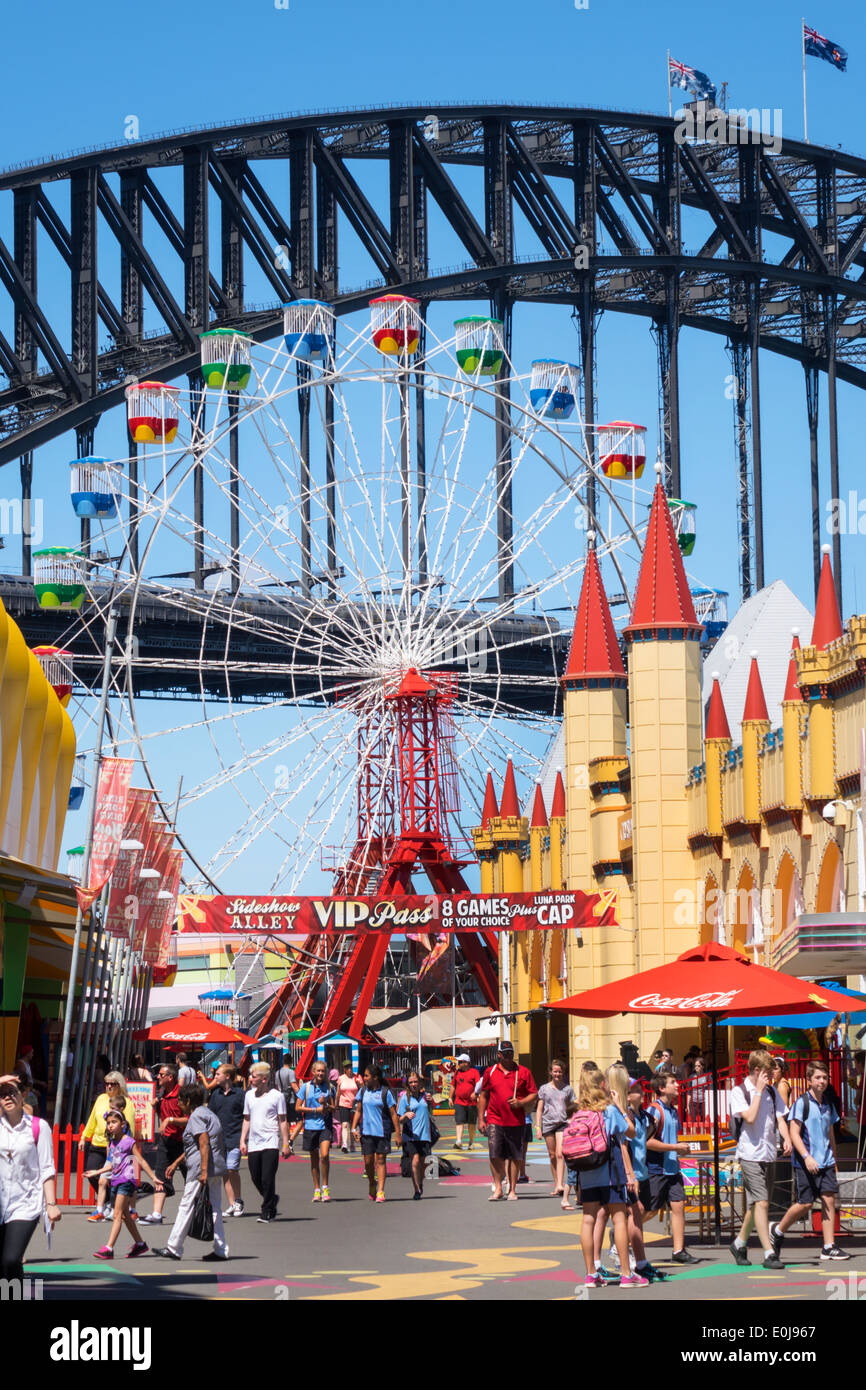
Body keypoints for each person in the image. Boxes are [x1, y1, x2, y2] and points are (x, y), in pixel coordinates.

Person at [567, 1068, 645, 1289]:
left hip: (587, 1173)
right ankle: (627, 1275)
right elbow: (630, 1132)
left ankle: (591, 1273)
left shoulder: (579, 1111)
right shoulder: (608, 1110)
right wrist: (619, 1105)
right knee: (619, 1219)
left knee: (588, 1220)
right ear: (602, 1085)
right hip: (610, 1173)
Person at [770, 1061, 850, 1263]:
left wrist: (834, 1157)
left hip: (826, 1161)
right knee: (805, 1204)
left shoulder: (829, 1105)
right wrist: (807, 1157)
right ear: (809, 1080)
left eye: (824, 1078)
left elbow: (830, 1131)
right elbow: (794, 1133)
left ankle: (829, 1246)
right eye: (817, 1078)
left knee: (829, 1199)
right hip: (807, 1162)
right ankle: (778, 1230)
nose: (822, 1081)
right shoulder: (802, 1103)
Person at [728, 1049, 791, 1269]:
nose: (772, 1076)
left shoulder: (772, 1092)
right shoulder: (740, 1091)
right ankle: (769, 1253)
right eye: (768, 1072)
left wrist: (787, 1138)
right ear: (757, 1071)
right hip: (749, 1154)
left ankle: (739, 1243)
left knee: (757, 1206)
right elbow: (751, 1117)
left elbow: (781, 1118)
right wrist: (758, 1092)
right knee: (762, 1202)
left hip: (768, 1153)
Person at [154, 1083, 230, 1261]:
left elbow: (203, 1142)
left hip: (200, 1170)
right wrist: (177, 1162)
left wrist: (203, 1171)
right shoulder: (207, 1113)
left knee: (186, 1205)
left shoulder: (196, 1116)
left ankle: (174, 1247)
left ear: (188, 1101)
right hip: (215, 1167)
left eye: (180, 1100)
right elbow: (196, 1146)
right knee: (215, 1209)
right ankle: (221, 1249)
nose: (179, 1104)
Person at [0, 1074, 60, 1280]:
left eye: (11, 1093)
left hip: (25, 1203)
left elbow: (47, 1167)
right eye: (2, 1094)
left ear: (22, 1095)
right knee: (3, 1264)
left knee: (11, 1259)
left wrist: (51, 1203)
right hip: (1, 1203)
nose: (7, 1098)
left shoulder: (38, 1127)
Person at [85, 1105, 162, 1260]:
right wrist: (97, 1172)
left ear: (123, 1124)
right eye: (108, 1123)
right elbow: (110, 1165)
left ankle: (109, 1248)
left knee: (117, 1215)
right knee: (126, 1215)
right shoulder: (111, 1143)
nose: (110, 1125)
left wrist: (153, 1177)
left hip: (126, 1181)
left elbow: (140, 1160)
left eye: (114, 1122)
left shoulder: (129, 1142)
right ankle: (140, 1244)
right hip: (115, 1181)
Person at [645, 1070, 696, 1263]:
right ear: (661, 1088)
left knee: (679, 1206)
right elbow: (647, 1142)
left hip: (673, 1167)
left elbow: (671, 1137)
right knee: (650, 1210)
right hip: (656, 1168)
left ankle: (678, 1251)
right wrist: (675, 1147)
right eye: (673, 1082)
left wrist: (679, 1149)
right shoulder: (653, 1111)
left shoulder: (673, 1111)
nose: (677, 1085)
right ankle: (623, 1230)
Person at [477, 1040, 537, 1202]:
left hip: (516, 1121)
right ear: (499, 1055)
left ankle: (512, 1189)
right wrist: (480, 1118)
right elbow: (483, 1095)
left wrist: (521, 1103)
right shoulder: (490, 1072)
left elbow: (533, 1093)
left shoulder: (523, 1072)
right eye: (505, 1054)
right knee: (494, 1153)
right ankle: (498, 1187)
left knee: (515, 1156)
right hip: (494, 1119)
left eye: (511, 1053)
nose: (509, 1056)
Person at [624, 1078, 667, 1283]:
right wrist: (629, 1173)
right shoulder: (626, 1117)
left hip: (643, 1170)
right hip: (632, 1173)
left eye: (641, 1090)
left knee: (644, 1212)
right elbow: (625, 1147)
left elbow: (645, 1140)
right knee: (636, 1214)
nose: (641, 1093)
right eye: (636, 1091)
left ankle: (639, 1261)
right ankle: (634, 1259)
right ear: (626, 1095)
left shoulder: (644, 1116)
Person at [79, 1071, 136, 1221]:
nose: (109, 1086)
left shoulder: (126, 1102)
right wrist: (84, 1137)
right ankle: (108, 1203)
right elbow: (92, 1119)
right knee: (93, 1174)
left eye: (113, 1084)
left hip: (116, 1148)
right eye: (107, 1083)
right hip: (98, 1143)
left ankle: (114, 1206)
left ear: (120, 1085)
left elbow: (128, 1126)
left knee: (115, 1178)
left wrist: (125, 1146)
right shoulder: (101, 1099)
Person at [240, 1061, 290, 1223]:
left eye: (253, 1076)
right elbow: (246, 1119)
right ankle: (271, 1199)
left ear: (264, 1079)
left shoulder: (277, 1096)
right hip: (254, 1142)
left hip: (270, 1141)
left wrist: (285, 1143)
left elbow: (283, 1121)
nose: (250, 1079)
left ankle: (267, 1210)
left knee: (267, 1178)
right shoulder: (249, 1095)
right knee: (255, 1177)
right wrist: (243, 1140)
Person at [140, 1062, 187, 1226]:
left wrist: (170, 1120)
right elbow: (163, 1118)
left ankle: (203, 1209)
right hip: (166, 1142)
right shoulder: (161, 1094)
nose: (157, 1077)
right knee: (160, 1177)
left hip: (183, 1143)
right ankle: (156, 1214)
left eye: (161, 1074)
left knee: (192, 1179)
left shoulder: (181, 1095)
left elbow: (190, 1119)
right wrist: (156, 1108)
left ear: (170, 1077)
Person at [351, 1065, 400, 1203]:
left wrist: (398, 1134)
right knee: (368, 1162)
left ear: (375, 1077)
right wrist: (353, 1128)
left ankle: (380, 1191)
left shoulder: (385, 1093)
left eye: (366, 1076)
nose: (364, 1078)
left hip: (382, 1132)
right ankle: (372, 1182)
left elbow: (393, 1114)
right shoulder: (363, 1091)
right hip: (366, 1132)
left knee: (380, 1161)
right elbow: (358, 1111)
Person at [536, 1060, 576, 1209]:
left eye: (559, 1072)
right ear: (550, 1072)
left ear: (563, 1073)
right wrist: (538, 1126)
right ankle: (556, 1183)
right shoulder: (544, 1089)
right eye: (555, 1071)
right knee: (552, 1155)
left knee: (560, 1153)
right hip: (548, 1124)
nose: (557, 1074)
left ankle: (560, 1184)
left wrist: (572, 1120)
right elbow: (539, 1109)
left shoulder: (568, 1089)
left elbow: (572, 1107)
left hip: (562, 1123)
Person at [208, 1064, 246, 1217]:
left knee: (232, 1168)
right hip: (219, 1139)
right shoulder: (215, 1095)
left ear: (228, 1076)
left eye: (218, 1074)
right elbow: (210, 1115)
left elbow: (247, 1116)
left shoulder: (240, 1094)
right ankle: (232, 1204)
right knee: (224, 1172)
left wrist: (245, 1138)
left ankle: (238, 1200)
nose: (215, 1077)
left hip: (236, 1137)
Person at [297, 1060, 335, 1203]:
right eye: (318, 1071)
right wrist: (315, 1109)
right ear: (313, 1072)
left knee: (324, 1155)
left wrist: (324, 1104)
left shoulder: (329, 1087)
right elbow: (298, 1107)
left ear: (326, 1072)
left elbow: (333, 1107)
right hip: (310, 1126)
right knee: (314, 1160)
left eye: (322, 1071)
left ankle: (325, 1186)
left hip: (324, 1125)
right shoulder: (306, 1087)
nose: (320, 1073)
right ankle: (317, 1188)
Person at [398, 1071, 433, 1199]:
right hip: (411, 1135)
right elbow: (399, 1119)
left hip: (424, 1135)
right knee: (415, 1161)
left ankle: (420, 1182)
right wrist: (406, 1116)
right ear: (408, 1084)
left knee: (424, 1163)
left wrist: (431, 1102)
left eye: (415, 1082)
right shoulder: (404, 1098)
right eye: (411, 1082)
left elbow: (430, 1112)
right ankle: (416, 1190)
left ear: (419, 1083)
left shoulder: (425, 1096)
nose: (413, 1084)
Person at [452, 1054, 481, 1150]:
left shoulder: (474, 1072)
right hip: (459, 1101)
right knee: (459, 1121)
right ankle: (459, 1141)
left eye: (460, 1062)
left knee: (472, 1123)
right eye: (458, 1062)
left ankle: (471, 1142)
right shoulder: (456, 1073)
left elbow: (478, 1084)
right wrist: (449, 1098)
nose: (458, 1064)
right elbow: (453, 1085)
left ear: (466, 1063)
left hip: (471, 1102)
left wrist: (477, 1095)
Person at [335, 1059, 360, 1154]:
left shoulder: (356, 1077)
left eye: (350, 1067)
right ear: (344, 1069)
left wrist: (359, 1083)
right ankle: (345, 1144)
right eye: (347, 1068)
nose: (349, 1069)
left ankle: (352, 1144)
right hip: (343, 1104)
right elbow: (338, 1093)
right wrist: (336, 1104)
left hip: (354, 1105)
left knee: (353, 1126)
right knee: (345, 1124)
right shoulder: (341, 1078)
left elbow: (361, 1090)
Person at [277, 1053, 299, 1154]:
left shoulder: (277, 1073)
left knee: (285, 1121)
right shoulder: (290, 1072)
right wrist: (301, 1096)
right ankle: (290, 1140)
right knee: (300, 1121)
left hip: (281, 1099)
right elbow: (294, 1085)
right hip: (291, 1100)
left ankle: (287, 1143)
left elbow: (277, 1087)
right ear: (291, 1061)